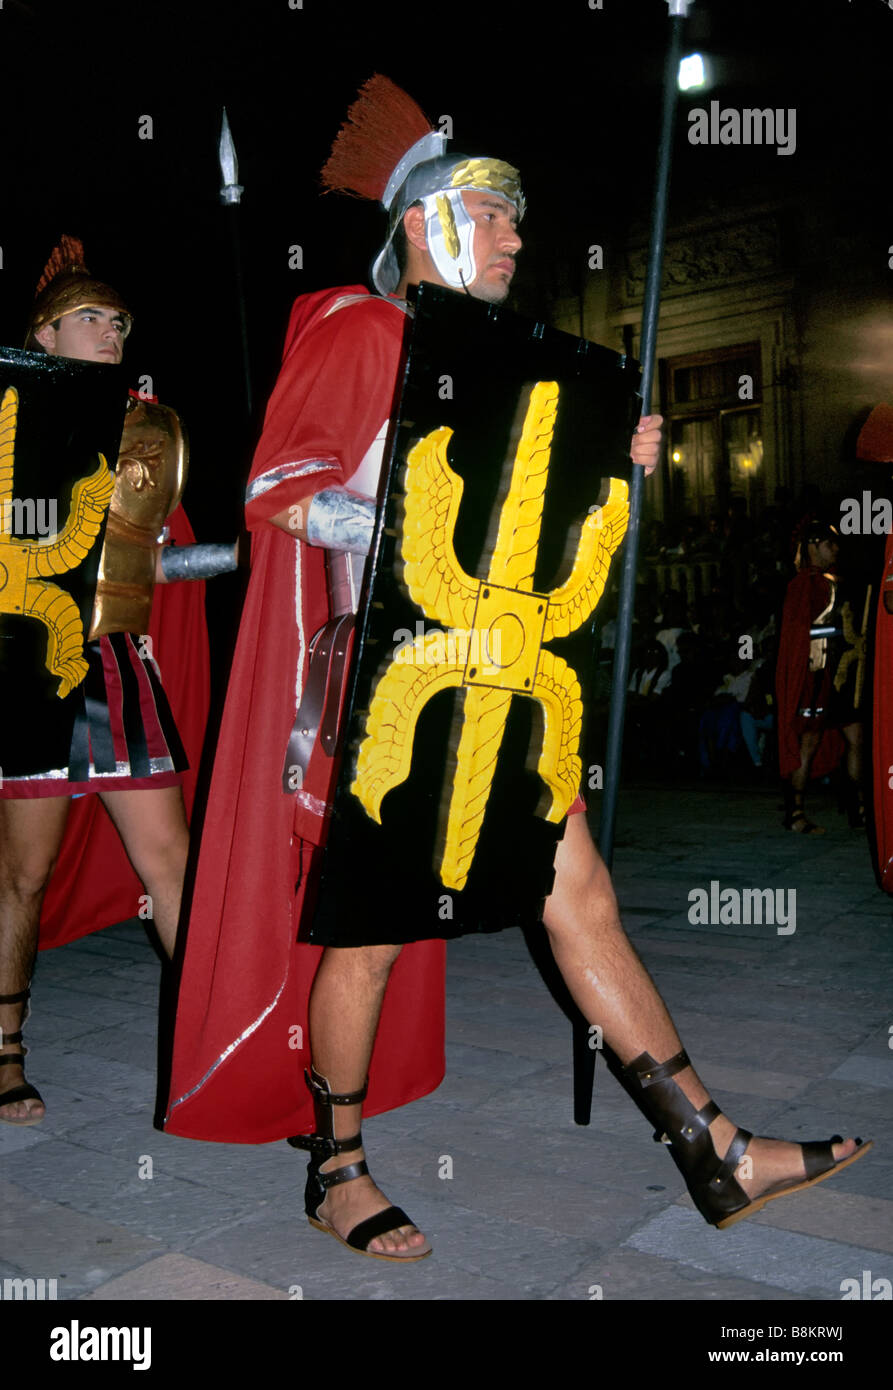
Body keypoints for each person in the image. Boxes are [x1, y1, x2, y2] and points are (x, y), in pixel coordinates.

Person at [165, 76, 869, 1261]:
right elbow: (278, 495)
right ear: (420, 222)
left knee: (578, 895)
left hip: (511, 680)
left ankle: (714, 1148)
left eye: (512, 214)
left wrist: (612, 463)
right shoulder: (359, 330)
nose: (515, 235)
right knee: (371, 932)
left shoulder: (506, 360)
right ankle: (335, 1169)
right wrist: (388, 517)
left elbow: (528, 526)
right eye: (491, 211)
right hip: (395, 685)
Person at [0, 238, 233, 1126]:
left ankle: (213, 1051)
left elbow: (155, 566)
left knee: (170, 861)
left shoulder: (149, 429)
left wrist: (248, 552)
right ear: (45, 332)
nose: (112, 333)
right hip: (27, 664)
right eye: (92, 319)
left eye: (119, 322)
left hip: (114, 667)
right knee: (24, 875)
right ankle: (5, 1051)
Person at [775, 519, 863, 832]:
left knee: (856, 736)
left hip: (842, 674)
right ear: (813, 546)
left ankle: (858, 807)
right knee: (808, 742)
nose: (835, 549)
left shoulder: (837, 580)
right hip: (817, 674)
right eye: (829, 544)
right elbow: (800, 634)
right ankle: (795, 814)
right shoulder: (803, 585)